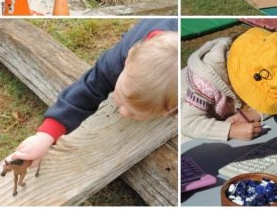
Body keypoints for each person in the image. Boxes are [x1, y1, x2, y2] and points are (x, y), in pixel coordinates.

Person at [9, 19, 178, 168]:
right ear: (127, 60)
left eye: (134, 113)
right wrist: (45, 136)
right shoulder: (115, 63)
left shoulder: (185, 87)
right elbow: (87, 90)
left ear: (170, 111)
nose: (123, 112)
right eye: (120, 98)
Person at [181, 27, 277, 141]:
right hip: (183, 127)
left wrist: (255, 113)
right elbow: (187, 123)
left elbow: (275, 97)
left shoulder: (240, 55)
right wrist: (231, 131)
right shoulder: (204, 83)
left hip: (215, 120)